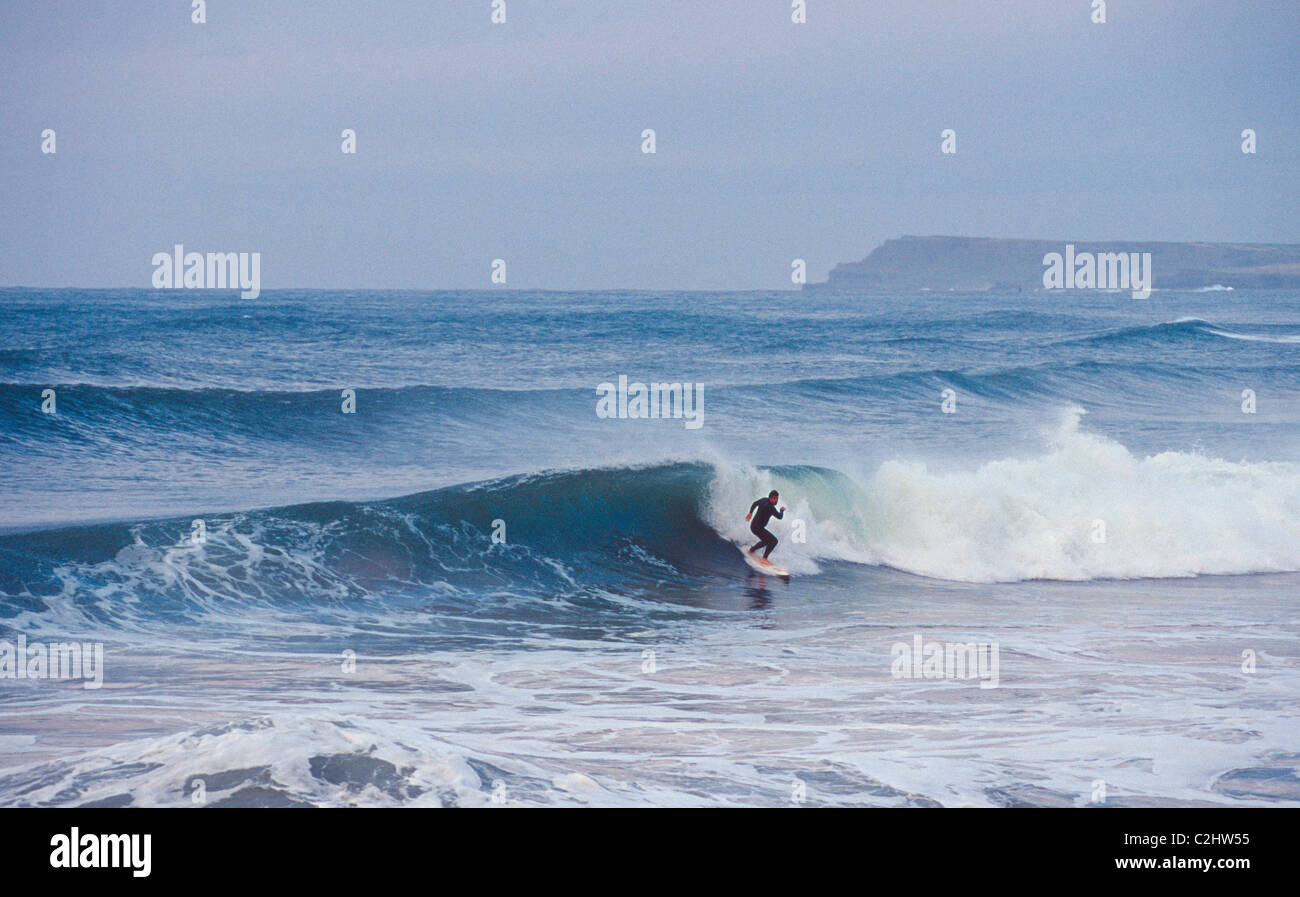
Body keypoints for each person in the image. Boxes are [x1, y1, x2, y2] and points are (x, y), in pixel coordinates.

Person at [745, 490, 785, 562]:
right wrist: (781, 510)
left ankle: (752, 550)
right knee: (774, 541)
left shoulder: (763, 500)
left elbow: (754, 504)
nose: (777, 501)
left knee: (766, 541)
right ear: (772, 498)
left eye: (777, 499)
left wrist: (750, 513)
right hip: (758, 528)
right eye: (776, 499)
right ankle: (764, 558)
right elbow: (780, 517)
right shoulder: (771, 508)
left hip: (753, 526)